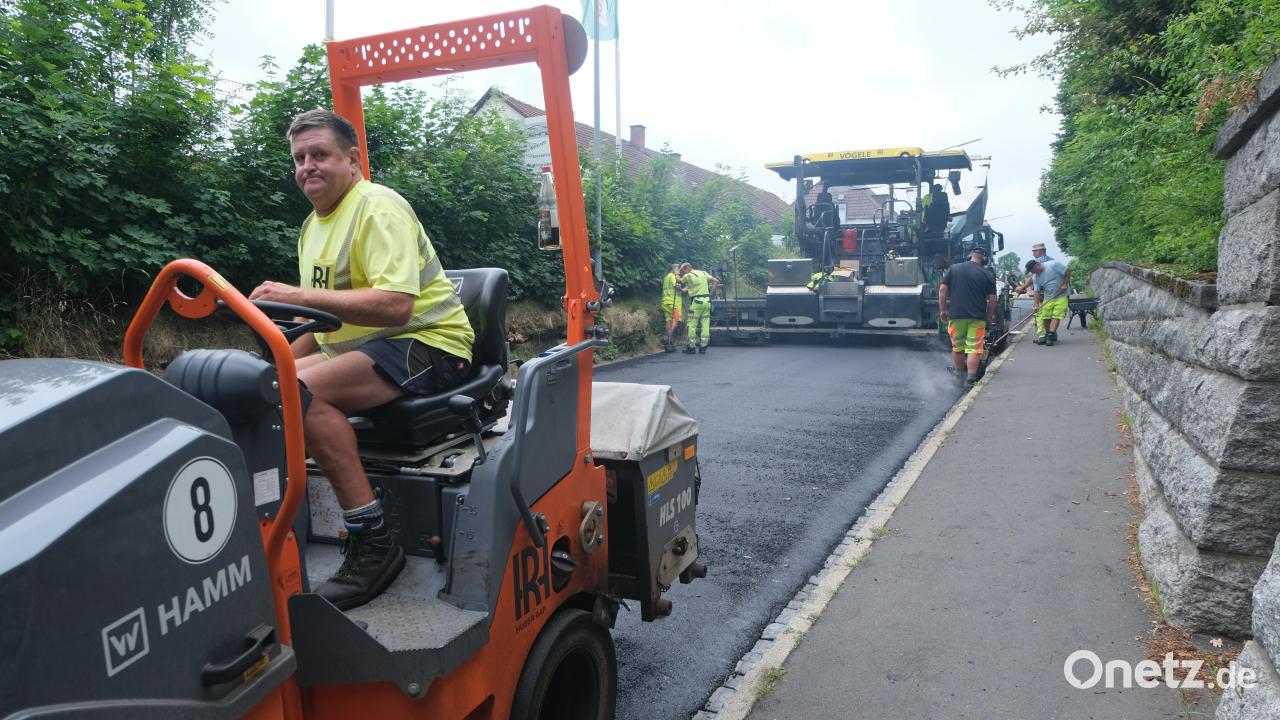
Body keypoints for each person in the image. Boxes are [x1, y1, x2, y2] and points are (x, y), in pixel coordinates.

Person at [250, 109, 475, 610]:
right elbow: (324, 324)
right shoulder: (312, 226)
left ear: (352, 159)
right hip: (369, 347)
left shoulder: (377, 207)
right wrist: (275, 362)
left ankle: (373, 543)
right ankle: (271, 527)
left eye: (320, 155)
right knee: (261, 389)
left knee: (296, 395)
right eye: (300, 158)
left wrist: (296, 298)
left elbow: (396, 305)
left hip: (432, 342)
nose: (308, 166)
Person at [938, 246, 997, 388]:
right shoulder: (987, 274)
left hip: (957, 316)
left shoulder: (954, 268)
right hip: (977, 317)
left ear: (970, 256)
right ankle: (971, 378)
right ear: (984, 259)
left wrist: (943, 310)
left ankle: (958, 377)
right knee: (974, 348)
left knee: (957, 347)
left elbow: (942, 289)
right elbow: (993, 299)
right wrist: (989, 316)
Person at [1012, 242, 1055, 343]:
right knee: (1052, 315)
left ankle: (1042, 336)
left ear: (1040, 251)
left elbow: (1032, 278)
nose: (1033, 254)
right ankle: (1052, 334)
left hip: (1040, 292)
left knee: (1039, 313)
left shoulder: (1036, 263)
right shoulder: (1052, 260)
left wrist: (1023, 287)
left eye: (1034, 251)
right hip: (1053, 292)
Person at [1026, 257, 1072, 346]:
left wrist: (1065, 284)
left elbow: (1068, 271)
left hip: (1061, 295)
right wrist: (1036, 305)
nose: (1033, 273)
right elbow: (1037, 291)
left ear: (1036, 266)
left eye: (1033, 270)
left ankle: (1050, 337)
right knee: (1045, 317)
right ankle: (1049, 334)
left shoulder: (1053, 264)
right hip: (1048, 298)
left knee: (1056, 316)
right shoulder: (1036, 277)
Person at [678, 262, 718, 354]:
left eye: (683, 270)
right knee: (705, 324)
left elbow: (679, 281)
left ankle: (691, 347)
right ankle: (703, 346)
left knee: (692, 324)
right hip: (707, 301)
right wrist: (710, 294)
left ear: (687, 268)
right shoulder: (703, 273)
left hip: (696, 302)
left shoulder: (689, 275)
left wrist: (676, 273)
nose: (683, 273)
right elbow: (716, 281)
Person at [661, 263, 683, 352]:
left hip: (665, 302)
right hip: (673, 303)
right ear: (674, 269)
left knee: (668, 321)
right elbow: (677, 285)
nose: (679, 272)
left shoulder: (666, 277)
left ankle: (669, 342)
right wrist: (684, 289)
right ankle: (668, 337)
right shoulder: (673, 276)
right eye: (677, 270)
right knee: (676, 320)